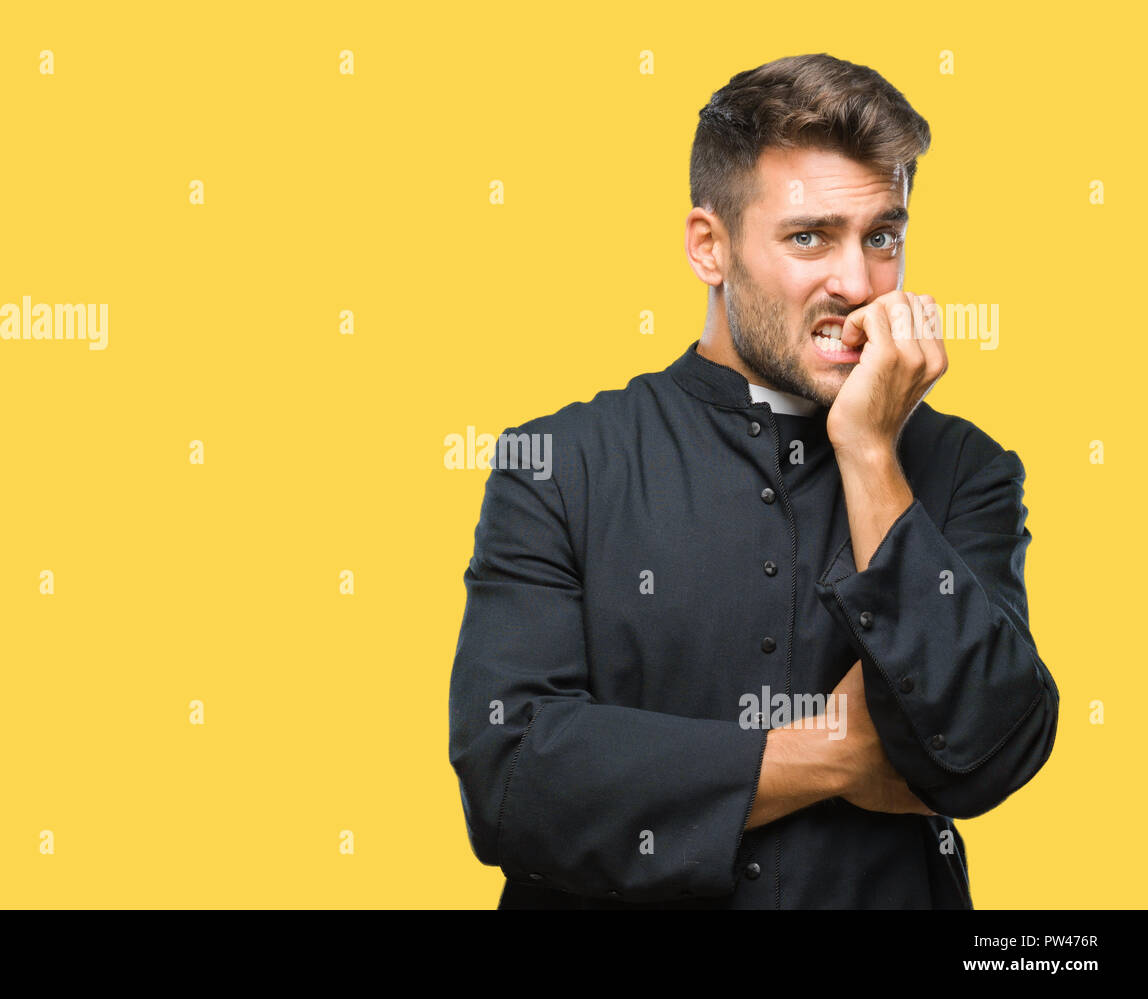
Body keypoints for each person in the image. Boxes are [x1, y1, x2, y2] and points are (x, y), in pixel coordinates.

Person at [447, 53, 1059, 909]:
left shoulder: (967, 469)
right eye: (810, 237)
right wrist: (835, 754)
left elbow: (991, 750)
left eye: (882, 236)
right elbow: (511, 780)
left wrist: (871, 455)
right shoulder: (557, 464)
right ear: (711, 246)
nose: (857, 283)